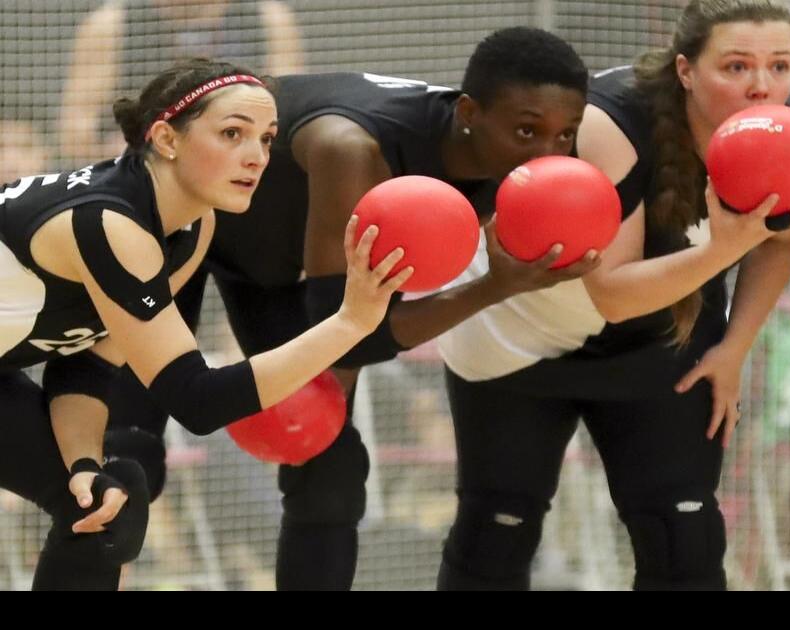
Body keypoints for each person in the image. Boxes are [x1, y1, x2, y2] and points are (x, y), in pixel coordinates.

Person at [104, 27, 597, 590]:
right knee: (129, 450)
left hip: (274, 266)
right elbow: (349, 332)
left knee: (331, 469)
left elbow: (348, 327)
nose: (545, 153)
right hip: (176, 218)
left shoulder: (498, 156)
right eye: (527, 130)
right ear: (468, 112)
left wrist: (323, 405)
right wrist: (495, 287)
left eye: (565, 136)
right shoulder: (355, 148)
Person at [435, 0, 790, 590]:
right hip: (520, 335)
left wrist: (735, 346)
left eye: (780, 66)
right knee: (496, 533)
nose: (762, 88)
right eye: (736, 67)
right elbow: (610, 293)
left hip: (661, 342)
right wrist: (719, 251)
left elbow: (778, 243)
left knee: (682, 538)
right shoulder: (610, 121)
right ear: (686, 70)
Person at [0, 57, 406, 590]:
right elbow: (197, 399)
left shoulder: (192, 228)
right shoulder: (107, 223)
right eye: (232, 133)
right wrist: (350, 323)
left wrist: (81, 464)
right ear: (166, 138)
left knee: (105, 506)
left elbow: (87, 371)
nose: (257, 157)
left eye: (266, 138)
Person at [60, 0, 304, 163]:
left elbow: (290, 116)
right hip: (147, 176)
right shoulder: (113, 25)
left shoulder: (267, 20)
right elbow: (74, 134)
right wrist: (126, 153)